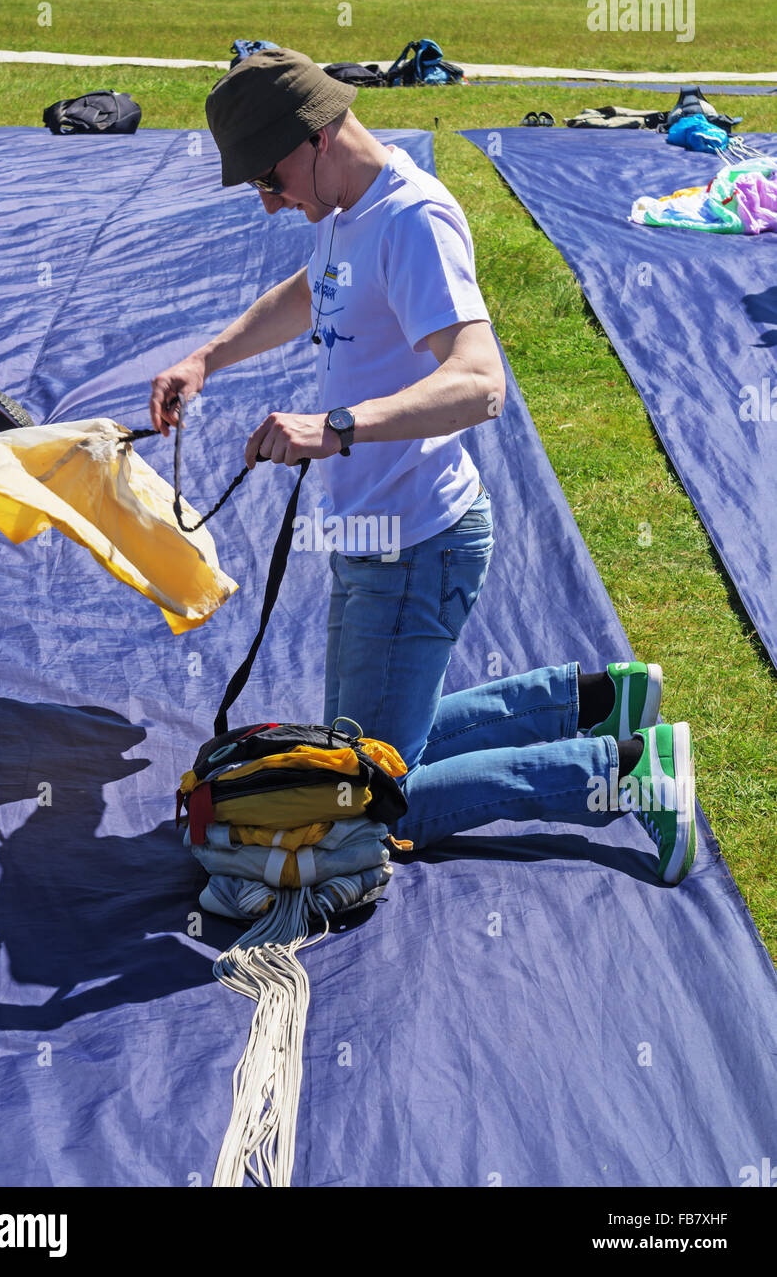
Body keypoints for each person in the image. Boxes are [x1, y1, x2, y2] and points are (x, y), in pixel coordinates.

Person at [149, 48, 696, 887]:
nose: (268, 200)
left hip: (415, 545)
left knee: (365, 799)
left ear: (320, 135)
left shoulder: (411, 220)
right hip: (379, 536)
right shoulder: (344, 209)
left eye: (269, 176)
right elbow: (312, 289)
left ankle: (625, 769)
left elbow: (480, 385)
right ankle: (596, 701)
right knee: (365, 744)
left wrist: (336, 426)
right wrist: (206, 359)